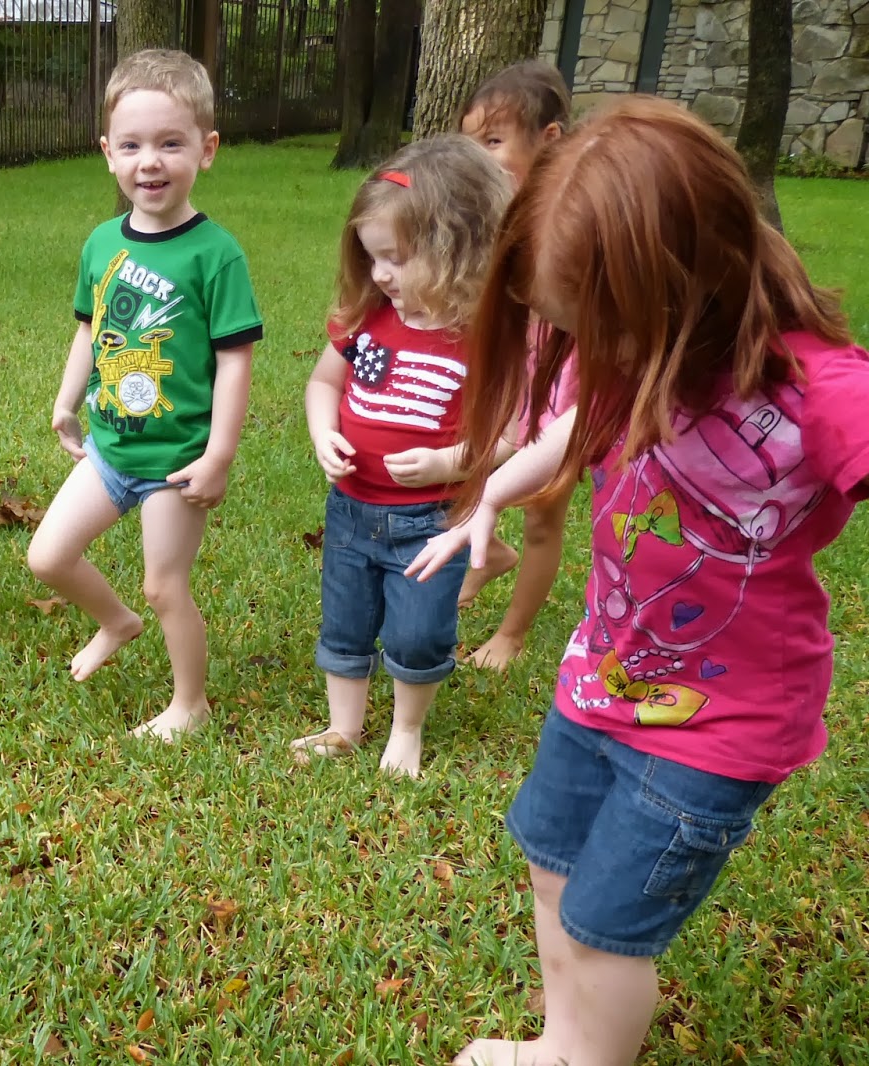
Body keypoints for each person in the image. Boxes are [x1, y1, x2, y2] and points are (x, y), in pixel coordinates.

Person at [407, 97, 869, 1066]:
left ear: (681, 287)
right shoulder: (624, 349)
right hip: (600, 681)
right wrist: (489, 495)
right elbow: (561, 433)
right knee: (550, 864)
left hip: (721, 725)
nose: (587, 356)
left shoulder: (820, 391)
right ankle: (560, 1042)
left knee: (607, 924)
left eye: (595, 330)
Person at [26, 48, 263, 741]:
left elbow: (235, 364)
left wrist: (219, 455)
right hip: (110, 449)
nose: (149, 162)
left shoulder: (215, 255)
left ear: (207, 150)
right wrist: (67, 401)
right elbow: (88, 332)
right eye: (131, 145)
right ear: (107, 153)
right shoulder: (103, 242)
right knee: (47, 557)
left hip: (176, 461)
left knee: (166, 586)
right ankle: (115, 621)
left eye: (170, 143)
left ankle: (190, 704)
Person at [296, 136, 513, 776]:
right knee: (345, 622)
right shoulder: (367, 317)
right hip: (352, 509)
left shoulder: (480, 339)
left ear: (460, 250)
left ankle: (407, 729)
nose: (380, 274)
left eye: (395, 258)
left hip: (431, 521)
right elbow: (322, 384)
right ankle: (344, 727)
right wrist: (321, 433)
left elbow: (510, 432)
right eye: (371, 258)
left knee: (418, 633)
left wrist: (451, 463)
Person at [454, 59, 576, 668]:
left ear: (549, 140)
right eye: (472, 141)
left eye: (494, 141)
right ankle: (488, 555)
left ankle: (512, 633)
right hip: (508, 375)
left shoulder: (575, 213)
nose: (480, 156)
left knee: (542, 515)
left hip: (569, 382)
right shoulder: (487, 207)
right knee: (472, 473)